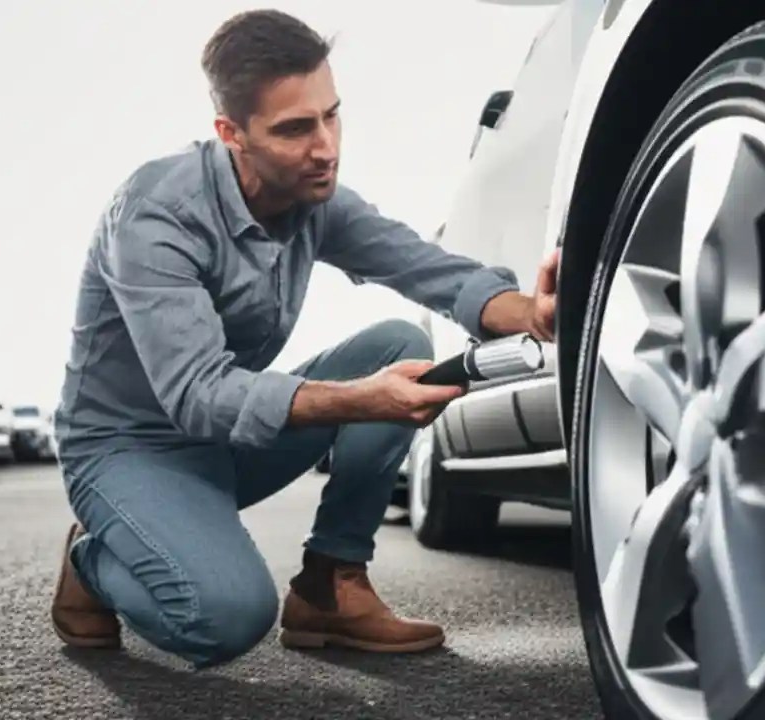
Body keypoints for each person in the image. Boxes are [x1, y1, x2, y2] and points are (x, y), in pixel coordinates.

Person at [49, 8, 559, 669]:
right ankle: (92, 560)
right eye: (294, 129)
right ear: (231, 133)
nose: (326, 146)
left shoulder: (312, 194)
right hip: (125, 452)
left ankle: (330, 584)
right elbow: (199, 394)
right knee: (225, 617)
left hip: (220, 447)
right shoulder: (156, 215)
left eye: (331, 114)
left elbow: (422, 265)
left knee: (399, 340)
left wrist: (532, 312)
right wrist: (357, 401)